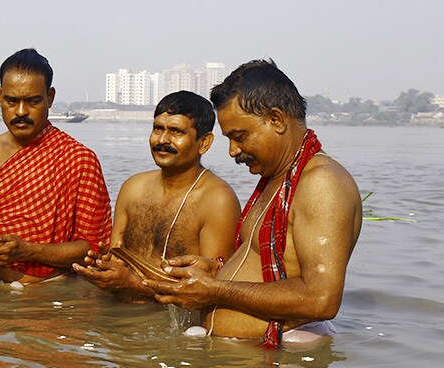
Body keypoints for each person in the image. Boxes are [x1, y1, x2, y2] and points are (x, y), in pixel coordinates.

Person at [144, 59, 362, 347]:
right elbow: (263, 266)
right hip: (245, 362)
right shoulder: (277, 180)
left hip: (283, 367)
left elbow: (321, 299)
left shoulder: (322, 183)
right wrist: (213, 269)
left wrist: (217, 291)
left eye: (240, 136)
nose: (234, 151)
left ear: (276, 120)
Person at [0, 48, 112, 284]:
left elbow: (91, 249)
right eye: (12, 101)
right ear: (0, 96)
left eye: (33, 101)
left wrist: (25, 250)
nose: (21, 112)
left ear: (50, 97)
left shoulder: (79, 159)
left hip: (50, 294)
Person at [73, 91, 240, 302]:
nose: (162, 140)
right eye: (157, 129)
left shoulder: (217, 200)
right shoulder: (133, 187)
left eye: (176, 131)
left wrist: (134, 284)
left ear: (204, 143)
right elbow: (117, 257)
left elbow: (212, 288)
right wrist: (103, 266)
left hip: (171, 322)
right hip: (120, 310)